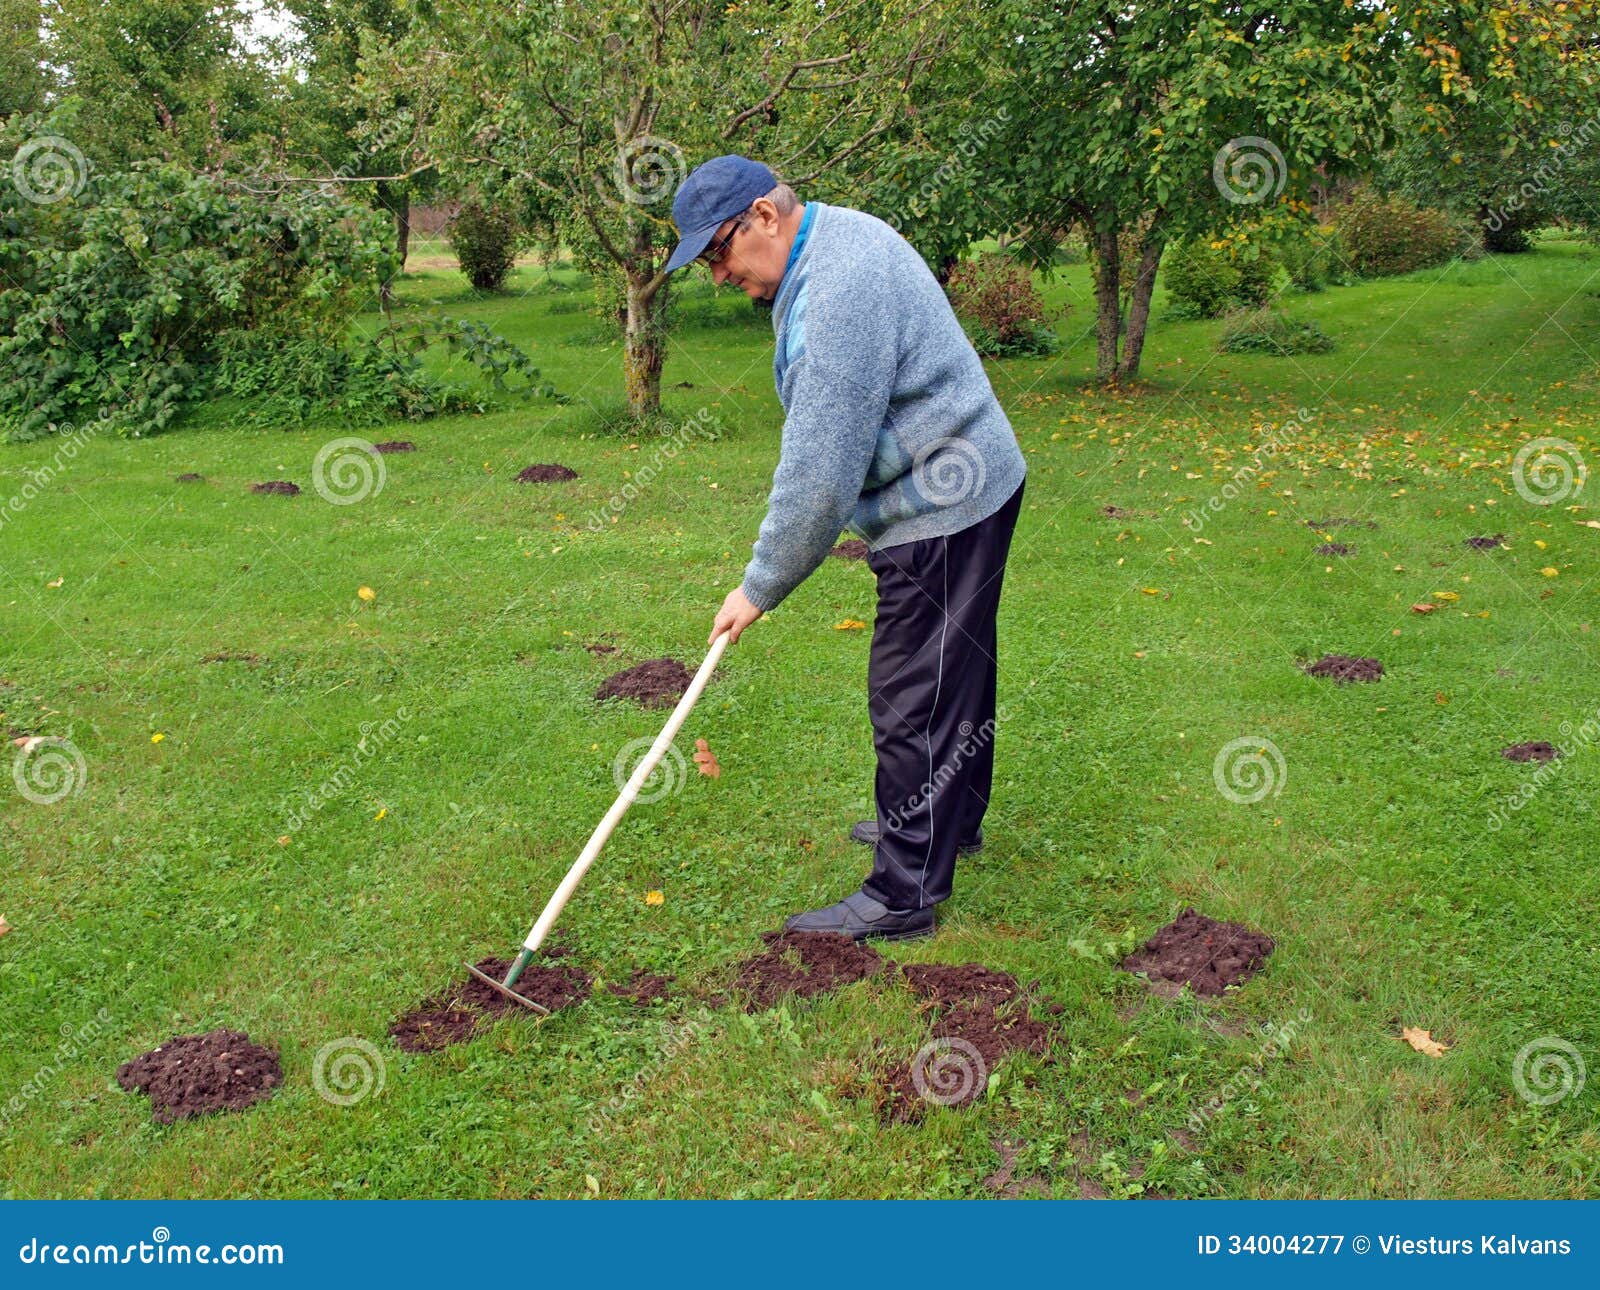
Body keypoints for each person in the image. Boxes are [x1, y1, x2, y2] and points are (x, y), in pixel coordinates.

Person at [661, 155, 1027, 942]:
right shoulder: (834, 238)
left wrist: (758, 587)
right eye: (706, 265)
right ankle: (947, 823)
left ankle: (904, 893)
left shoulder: (836, 292)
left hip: (946, 501)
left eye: (719, 252)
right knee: (953, 671)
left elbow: (820, 478)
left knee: (911, 697)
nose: (719, 276)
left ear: (764, 215)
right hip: (970, 480)